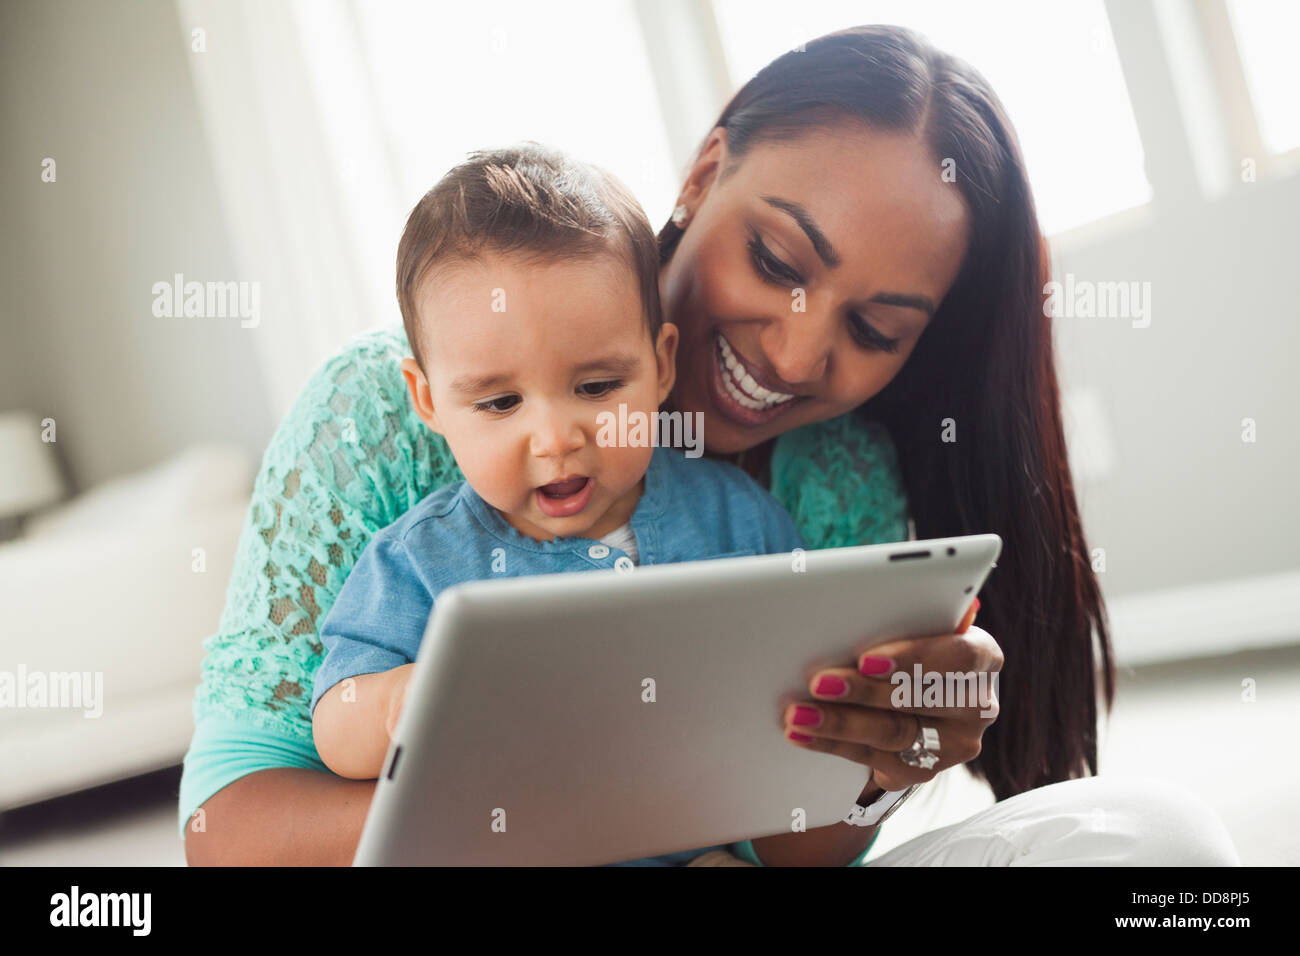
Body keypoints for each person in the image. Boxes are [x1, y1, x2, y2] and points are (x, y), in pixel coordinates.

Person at [181, 25, 1239, 866]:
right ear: (703, 175)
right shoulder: (387, 429)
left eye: (874, 329)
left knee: (1161, 843)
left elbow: (792, 846)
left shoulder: (826, 483)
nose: (793, 349)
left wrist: (879, 767)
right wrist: (534, 811)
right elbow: (226, 833)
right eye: (777, 256)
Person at [310, 142, 815, 865]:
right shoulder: (420, 561)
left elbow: (807, 661)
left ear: (661, 364)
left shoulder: (734, 519)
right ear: (428, 401)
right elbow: (335, 721)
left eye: (598, 387)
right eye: (500, 401)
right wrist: (399, 704)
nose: (554, 438)